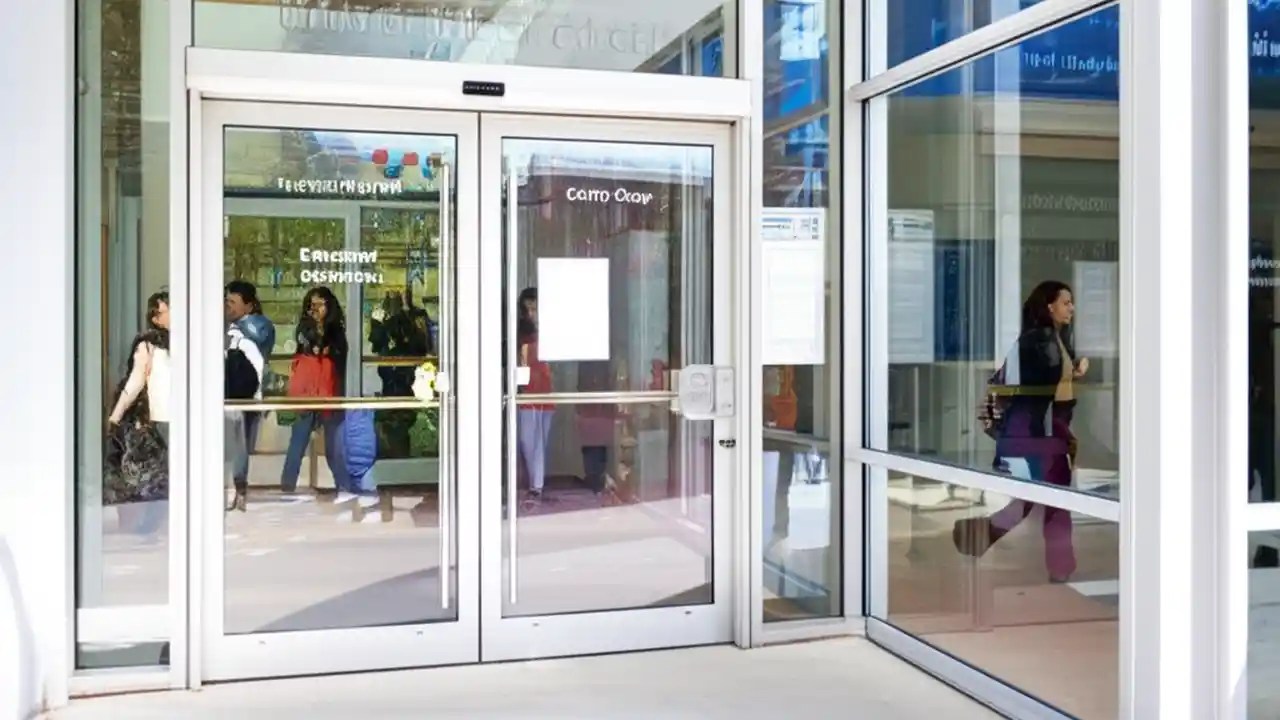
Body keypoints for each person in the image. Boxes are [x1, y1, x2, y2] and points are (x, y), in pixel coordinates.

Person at [955, 280, 1089, 583]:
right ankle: (1060, 567)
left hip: (1034, 431)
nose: (1071, 308)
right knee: (1057, 501)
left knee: (1033, 498)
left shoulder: (1044, 339)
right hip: (1039, 432)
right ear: (1049, 306)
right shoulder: (1042, 342)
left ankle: (977, 535)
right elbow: (1048, 392)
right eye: (1065, 302)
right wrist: (1063, 432)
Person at [106, 291, 171, 536]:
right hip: (161, 420)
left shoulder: (191, 340)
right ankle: (150, 526)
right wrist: (116, 414)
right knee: (161, 476)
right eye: (163, 311)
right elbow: (134, 383)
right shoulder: (148, 345)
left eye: (166, 309)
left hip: (187, 419)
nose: (163, 316)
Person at [280, 287, 351, 496]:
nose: (316, 308)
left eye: (321, 304)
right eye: (313, 304)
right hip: (307, 393)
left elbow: (337, 355)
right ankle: (287, 487)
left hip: (329, 393)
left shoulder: (337, 331)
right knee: (298, 442)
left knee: (333, 448)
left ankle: (344, 487)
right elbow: (311, 347)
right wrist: (317, 331)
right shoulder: (304, 328)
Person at [225, 280, 276, 511]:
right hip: (227, 393)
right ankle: (232, 488)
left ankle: (239, 487)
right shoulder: (227, 326)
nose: (228, 307)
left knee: (243, 444)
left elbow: (258, 340)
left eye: (232, 302)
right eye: (226, 301)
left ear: (249, 305)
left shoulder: (260, 326)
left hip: (248, 393)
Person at [517, 287, 555, 504]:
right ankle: (534, 483)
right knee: (527, 439)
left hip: (546, 387)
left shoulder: (549, 331)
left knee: (541, 438)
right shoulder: (521, 332)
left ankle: (536, 485)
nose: (531, 313)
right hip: (527, 388)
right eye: (528, 308)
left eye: (535, 308)